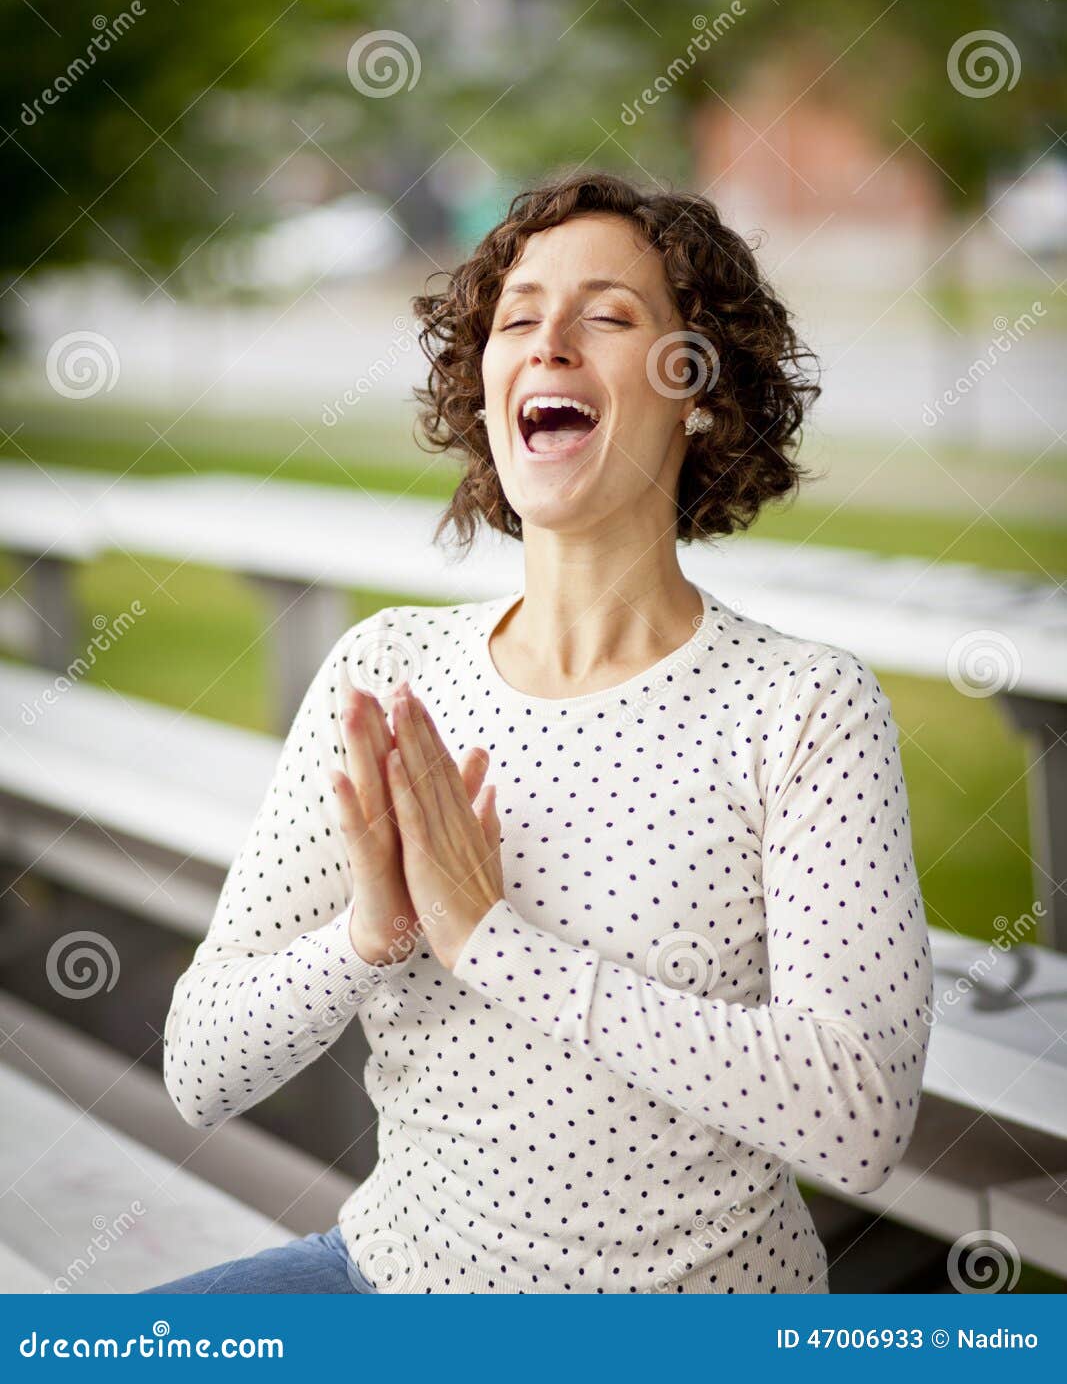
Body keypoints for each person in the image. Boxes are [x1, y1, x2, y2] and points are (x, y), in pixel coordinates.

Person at [145, 170, 934, 1294]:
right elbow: (198, 1066)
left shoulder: (802, 706)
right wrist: (369, 935)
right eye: (516, 319)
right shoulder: (389, 671)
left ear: (697, 390)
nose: (548, 342)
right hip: (384, 1285)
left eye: (606, 316)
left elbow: (856, 1116)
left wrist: (489, 942)